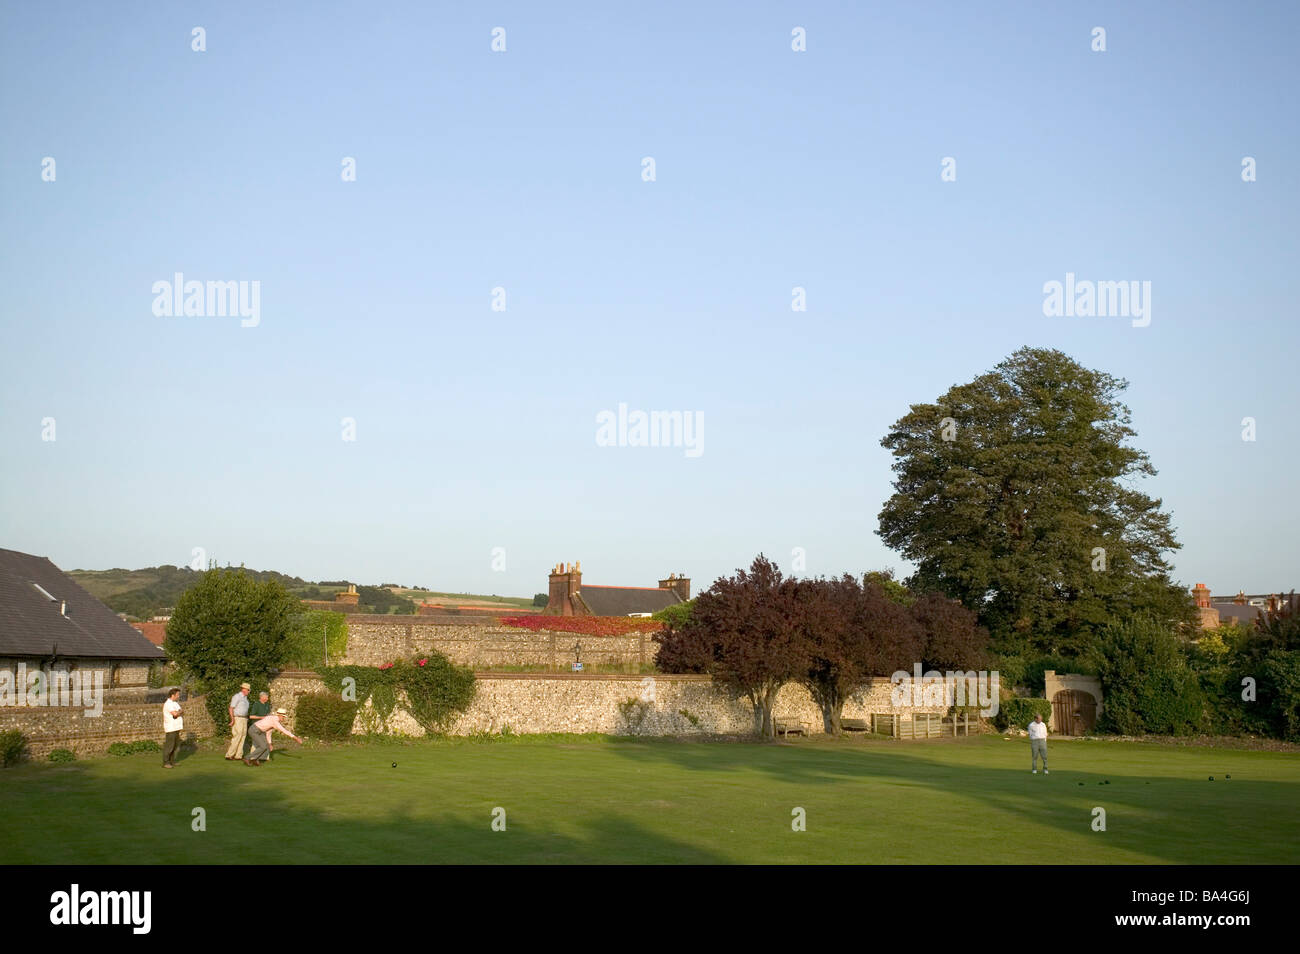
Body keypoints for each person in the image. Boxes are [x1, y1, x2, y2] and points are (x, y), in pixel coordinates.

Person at [224, 683, 251, 761]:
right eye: (248, 690)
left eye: (249, 690)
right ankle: (229, 755)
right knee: (237, 736)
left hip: (244, 719)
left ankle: (238, 755)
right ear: (243, 689)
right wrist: (232, 719)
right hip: (237, 718)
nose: (249, 691)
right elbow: (231, 708)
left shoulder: (246, 699)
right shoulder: (237, 697)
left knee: (243, 736)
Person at [246, 691, 272, 759]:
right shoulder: (256, 704)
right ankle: (252, 757)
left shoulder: (267, 705)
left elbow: (268, 714)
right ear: (261, 697)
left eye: (267, 697)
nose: (267, 698)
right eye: (266, 697)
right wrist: (261, 717)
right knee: (255, 743)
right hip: (256, 727)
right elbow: (251, 716)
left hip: (264, 726)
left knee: (265, 742)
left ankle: (263, 757)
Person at [162, 688, 183, 768]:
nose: (178, 696)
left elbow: (181, 710)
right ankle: (166, 762)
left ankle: (172, 761)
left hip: (176, 727)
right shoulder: (168, 704)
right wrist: (178, 712)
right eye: (177, 695)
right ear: (173, 695)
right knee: (169, 746)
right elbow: (175, 714)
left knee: (174, 746)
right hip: (171, 727)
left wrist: (179, 712)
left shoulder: (175, 703)